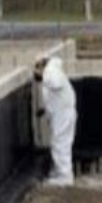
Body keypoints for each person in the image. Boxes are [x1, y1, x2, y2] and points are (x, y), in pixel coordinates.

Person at [34, 56, 77, 186]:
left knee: (60, 144)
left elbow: (56, 84)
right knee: (60, 143)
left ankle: (65, 177)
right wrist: (44, 110)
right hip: (62, 114)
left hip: (63, 115)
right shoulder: (53, 71)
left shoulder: (51, 71)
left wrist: (45, 74)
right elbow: (55, 98)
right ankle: (61, 172)